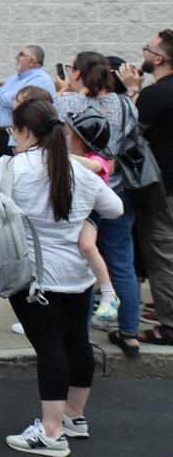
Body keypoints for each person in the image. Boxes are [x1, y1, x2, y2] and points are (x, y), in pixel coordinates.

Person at [0, 99, 122, 454]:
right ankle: (74, 417)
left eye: (14, 130)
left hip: (33, 278)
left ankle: (51, 434)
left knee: (50, 348)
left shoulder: (11, 167)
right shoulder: (76, 169)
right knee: (77, 342)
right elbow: (114, 208)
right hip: (78, 275)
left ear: (24, 131)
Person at [54, 51, 142, 356]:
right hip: (117, 190)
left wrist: (62, 94)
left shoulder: (66, 104)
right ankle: (129, 331)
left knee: (81, 260)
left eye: (70, 68)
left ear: (77, 73)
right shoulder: (125, 103)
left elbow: (53, 138)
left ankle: (79, 332)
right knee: (121, 261)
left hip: (80, 192)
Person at [121, 28, 173, 345]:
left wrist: (132, 91)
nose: (144, 54)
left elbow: (128, 131)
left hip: (163, 187)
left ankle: (169, 326)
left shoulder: (156, 94)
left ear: (159, 58)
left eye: (147, 49)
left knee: (162, 251)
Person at [62, 111, 119, 324]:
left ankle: (109, 294)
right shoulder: (78, 158)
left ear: (81, 139)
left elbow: (94, 167)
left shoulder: (98, 159)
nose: (66, 138)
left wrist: (61, 155)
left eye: (69, 134)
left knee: (87, 246)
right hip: (76, 209)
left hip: (91, 212)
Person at [0, 45, 56, 155]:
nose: (17, 57)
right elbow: (2, 103)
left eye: (21, 54)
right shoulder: (13, 79)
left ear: (31, 61)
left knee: (15, 163)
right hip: (5, 133)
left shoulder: (40, 79)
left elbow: (15, 101)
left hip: (22, 134)